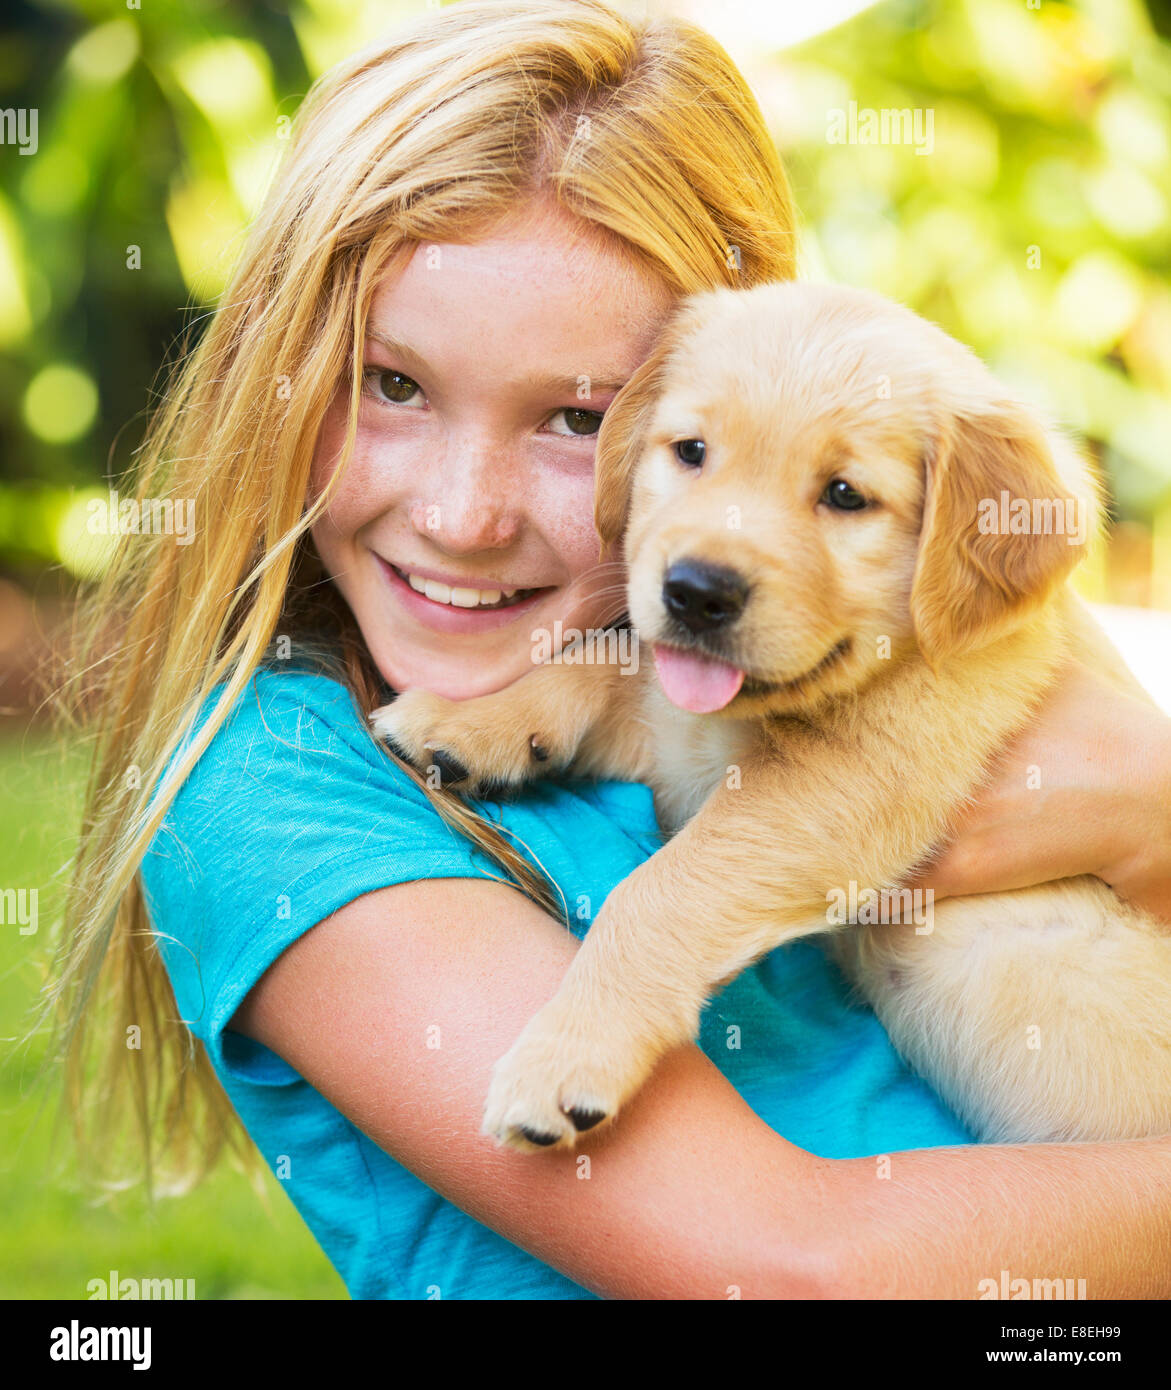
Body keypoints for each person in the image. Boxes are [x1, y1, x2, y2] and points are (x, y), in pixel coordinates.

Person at [51, 0, 1171, 1299]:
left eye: (576, 418)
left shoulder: (910, 649)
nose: (464, 514)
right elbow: (789, 1266)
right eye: (394, 384)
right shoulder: (276, 789)